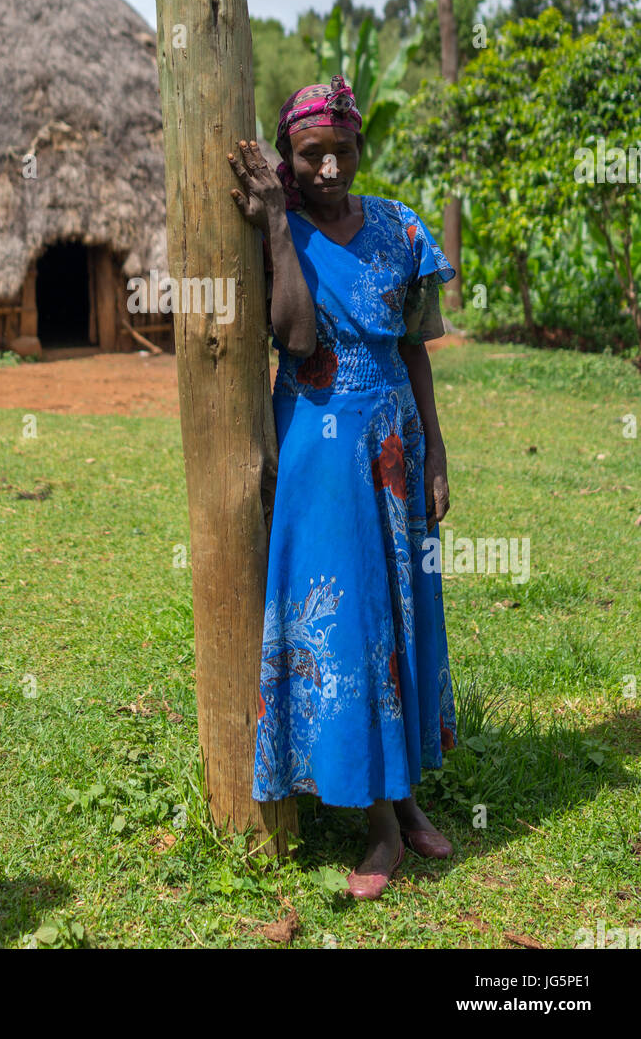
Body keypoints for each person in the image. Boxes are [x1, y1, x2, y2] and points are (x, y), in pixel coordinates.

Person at [227, 75, 457, 901]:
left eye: (341, 150)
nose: (327, 167)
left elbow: (416, 345)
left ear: (360, 148)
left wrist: (433, 449)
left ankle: (407, 795)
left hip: (393, 440)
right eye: (309, 153)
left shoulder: (398, 226)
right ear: (289, 158)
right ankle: (378, 828)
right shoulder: (277, 230)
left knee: (400, 615)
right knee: (348, 624)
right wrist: (276, 233)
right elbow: (293, 337)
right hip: (319, 447)